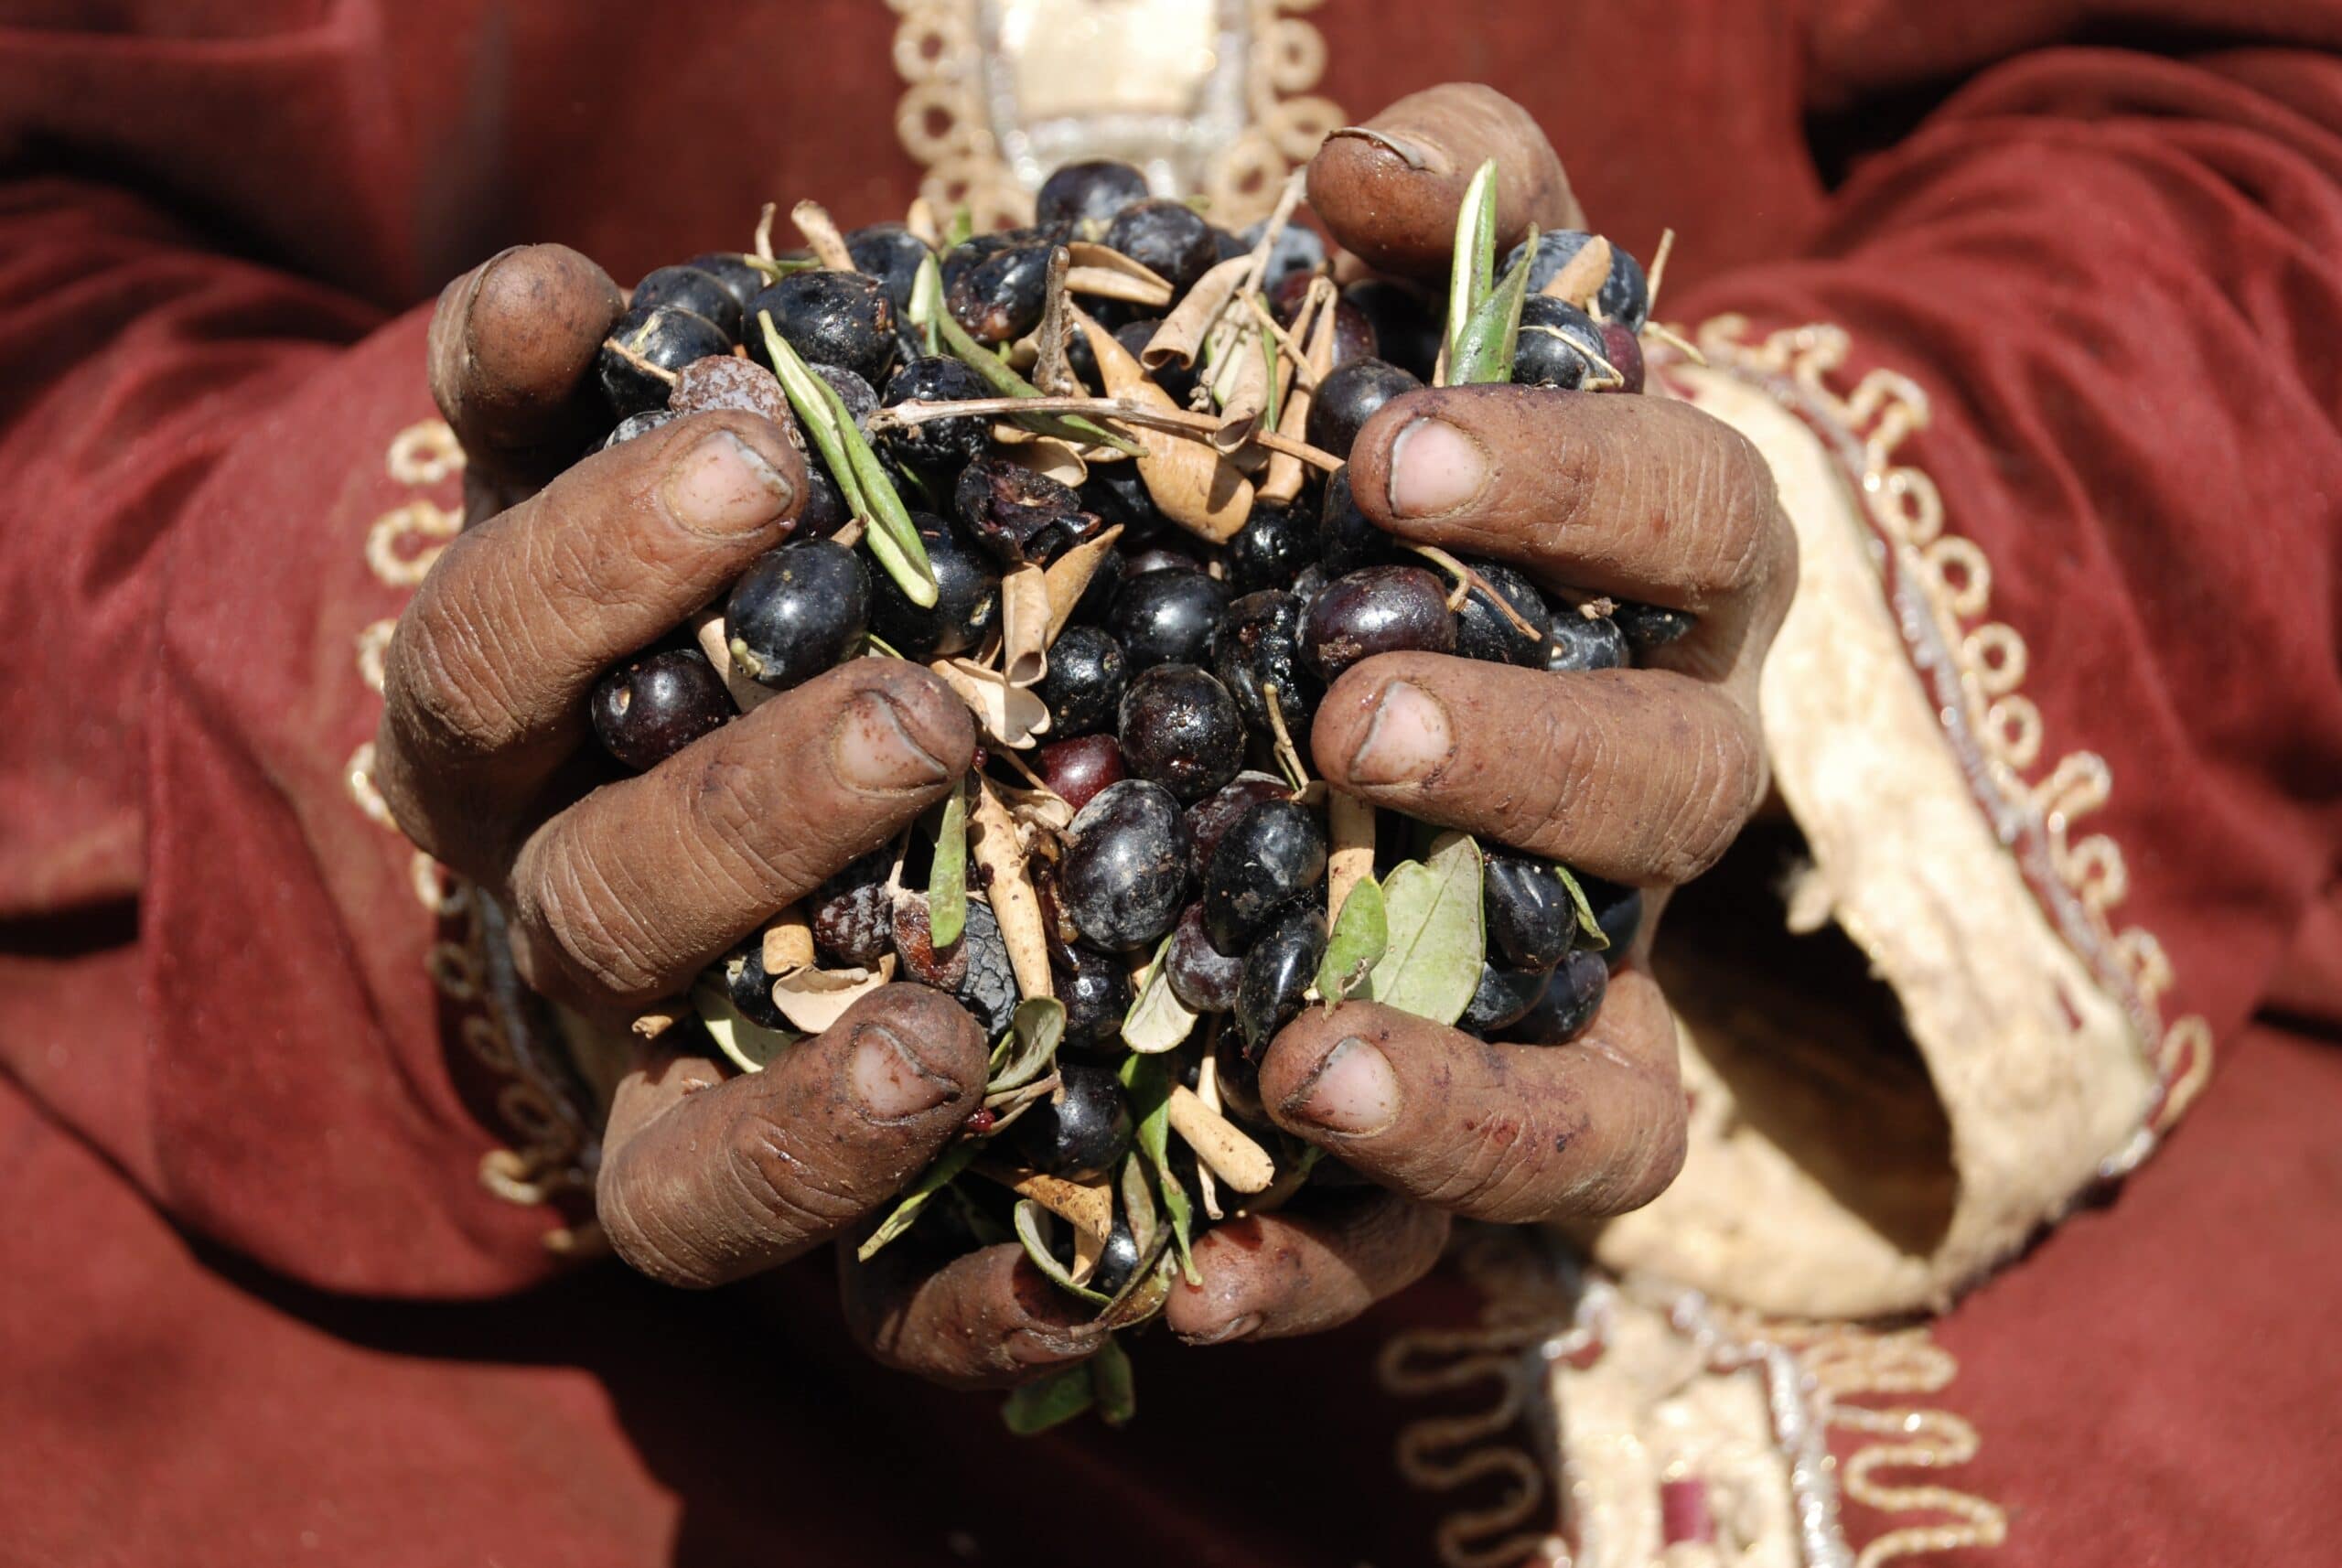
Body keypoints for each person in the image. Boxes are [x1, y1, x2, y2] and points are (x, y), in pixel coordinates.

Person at [2, 6, 2336, 1567]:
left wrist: (1771, 618)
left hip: (1865, 1062)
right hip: (544, 1233)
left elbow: (2267, 100)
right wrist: (433, 686)